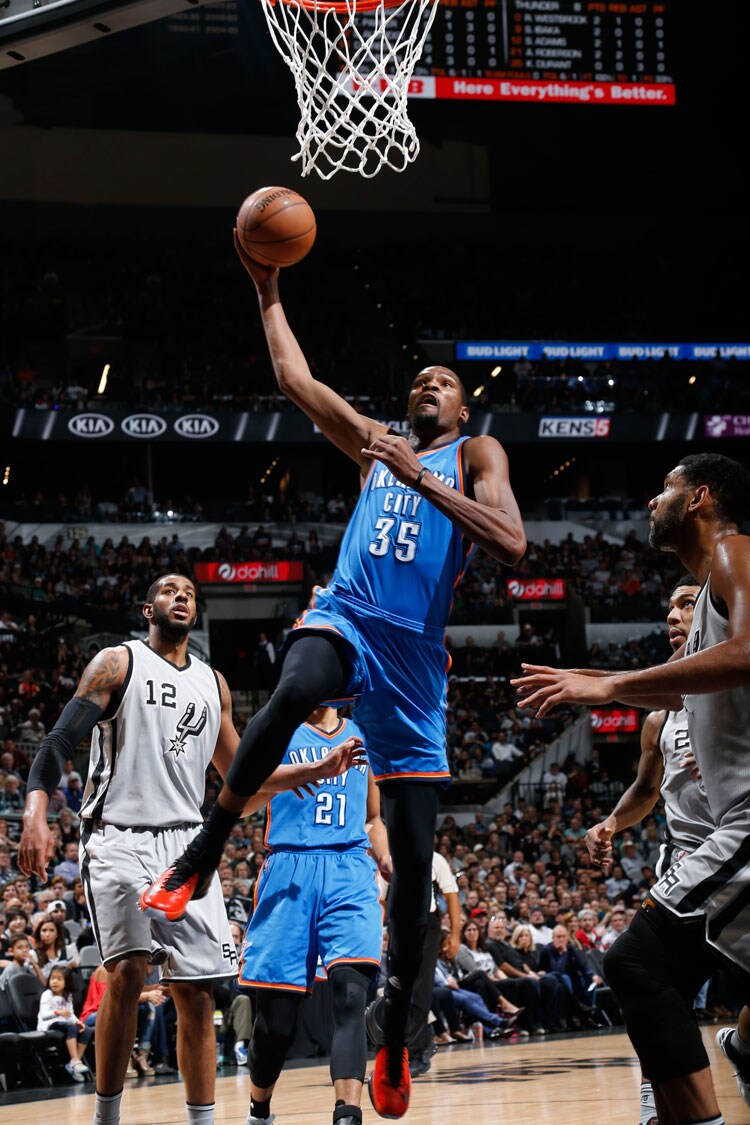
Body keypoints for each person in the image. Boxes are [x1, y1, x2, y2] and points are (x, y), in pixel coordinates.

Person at [142, 237, 526, 1119]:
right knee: (294, 681)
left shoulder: (475, 456)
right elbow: (296, 382)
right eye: (418, 379)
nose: (427, 386)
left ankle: (394, 1037)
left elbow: (510, 544)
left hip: (414, 660)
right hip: (348, 613)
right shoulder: (378, 441)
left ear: (464, 406)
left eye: (443, 380)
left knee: (418, 878)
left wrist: (418, 481)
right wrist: (267, 289)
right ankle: (206, 847)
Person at [514, 453, 750, 1122]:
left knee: (638, 961)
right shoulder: (709, 593)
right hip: (730, 824)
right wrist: (586, 677)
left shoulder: (735, 552)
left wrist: (609, 683)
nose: (653, 499)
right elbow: (680, 686)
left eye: (667, 488)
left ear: (700, 498)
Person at [18, 575, 247, 1125]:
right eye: (170, 590)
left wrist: (311, 770)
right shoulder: (117, 663)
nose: (182, 596)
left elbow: (243, 777)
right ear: (149, 608)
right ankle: (107, 1116)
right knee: (127, 971)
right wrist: (36, 809)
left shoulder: (214, 684)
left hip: (187, 842)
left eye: (190, 591)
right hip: (118, 832)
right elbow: (58, 741)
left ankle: (202, 1120)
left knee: (196, 992)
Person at [585, 575, 713, 1125]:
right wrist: (611, 823)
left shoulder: (731, 691)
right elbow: (645, 789)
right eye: (669, 609)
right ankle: (653, 1102)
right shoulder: (659, 716)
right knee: (648, 983)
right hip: (684, 864)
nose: (672, 617)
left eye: (687, 604)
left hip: (736, 856)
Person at [235, 705, 388, 1125]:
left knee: (351, 996)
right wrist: (306, 773)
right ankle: (259, 1108)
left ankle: (347, 1113)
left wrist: (385, 855)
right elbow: (241, 801)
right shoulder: (275, 728)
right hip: (289, 870)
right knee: (276, 1025)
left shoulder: (363, 734)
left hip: (350, 868)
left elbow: (373, 818)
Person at [37, 965, 93, 1082]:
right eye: (52, 978)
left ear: (66, 982)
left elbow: (70, 1014)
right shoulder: (47, 994)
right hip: (49, 1024)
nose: (55, 981)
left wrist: (78, 1022)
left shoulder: (68, 996)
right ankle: (75, 1060)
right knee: (71, 1027)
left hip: (65, 1024)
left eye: (59, 979)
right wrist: (57, 1012)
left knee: (86, 1030)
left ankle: (74, 1062)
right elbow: (44, 1014)